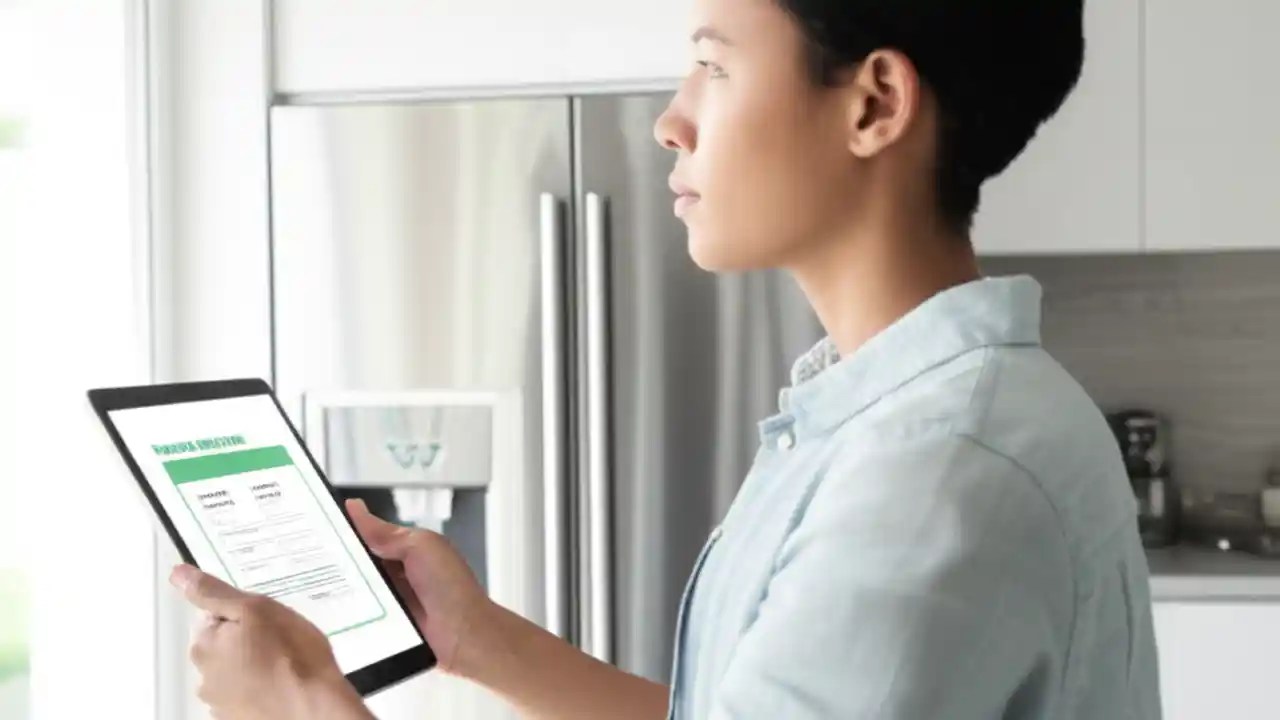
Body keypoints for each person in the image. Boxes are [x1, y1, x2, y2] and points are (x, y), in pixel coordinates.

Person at [170, 0, 1163, 717]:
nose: (669, 117)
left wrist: (298, 706)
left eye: (714, 65)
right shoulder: (915, 414)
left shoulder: (935, 471)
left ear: (872, 105)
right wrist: (481, 643)